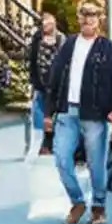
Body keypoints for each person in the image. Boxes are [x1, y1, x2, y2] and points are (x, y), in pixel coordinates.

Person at [44, 0, 112, 224]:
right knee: (61, 157)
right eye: (84, 14)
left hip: (95, 114)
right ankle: (77, 201)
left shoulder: (108, 48)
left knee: (95, 163)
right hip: (67, 112)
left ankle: (98, 206)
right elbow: (55, 77)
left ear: (100, 19)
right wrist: (49, 112)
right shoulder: (69, 44)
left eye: (92, 15)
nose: (87, 20)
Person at [27, 11, 67, 155]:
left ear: (54, 22)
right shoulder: (37, 38)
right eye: (43, 22)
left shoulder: (61, 38)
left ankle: (53, 143)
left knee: (56, 114)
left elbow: (64, 61)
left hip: (56, 84)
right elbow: (32, 59)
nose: (45, 25)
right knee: (40, 114)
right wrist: (33, 79)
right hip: (40, 82)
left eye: (48, 22)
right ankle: (43, 143)